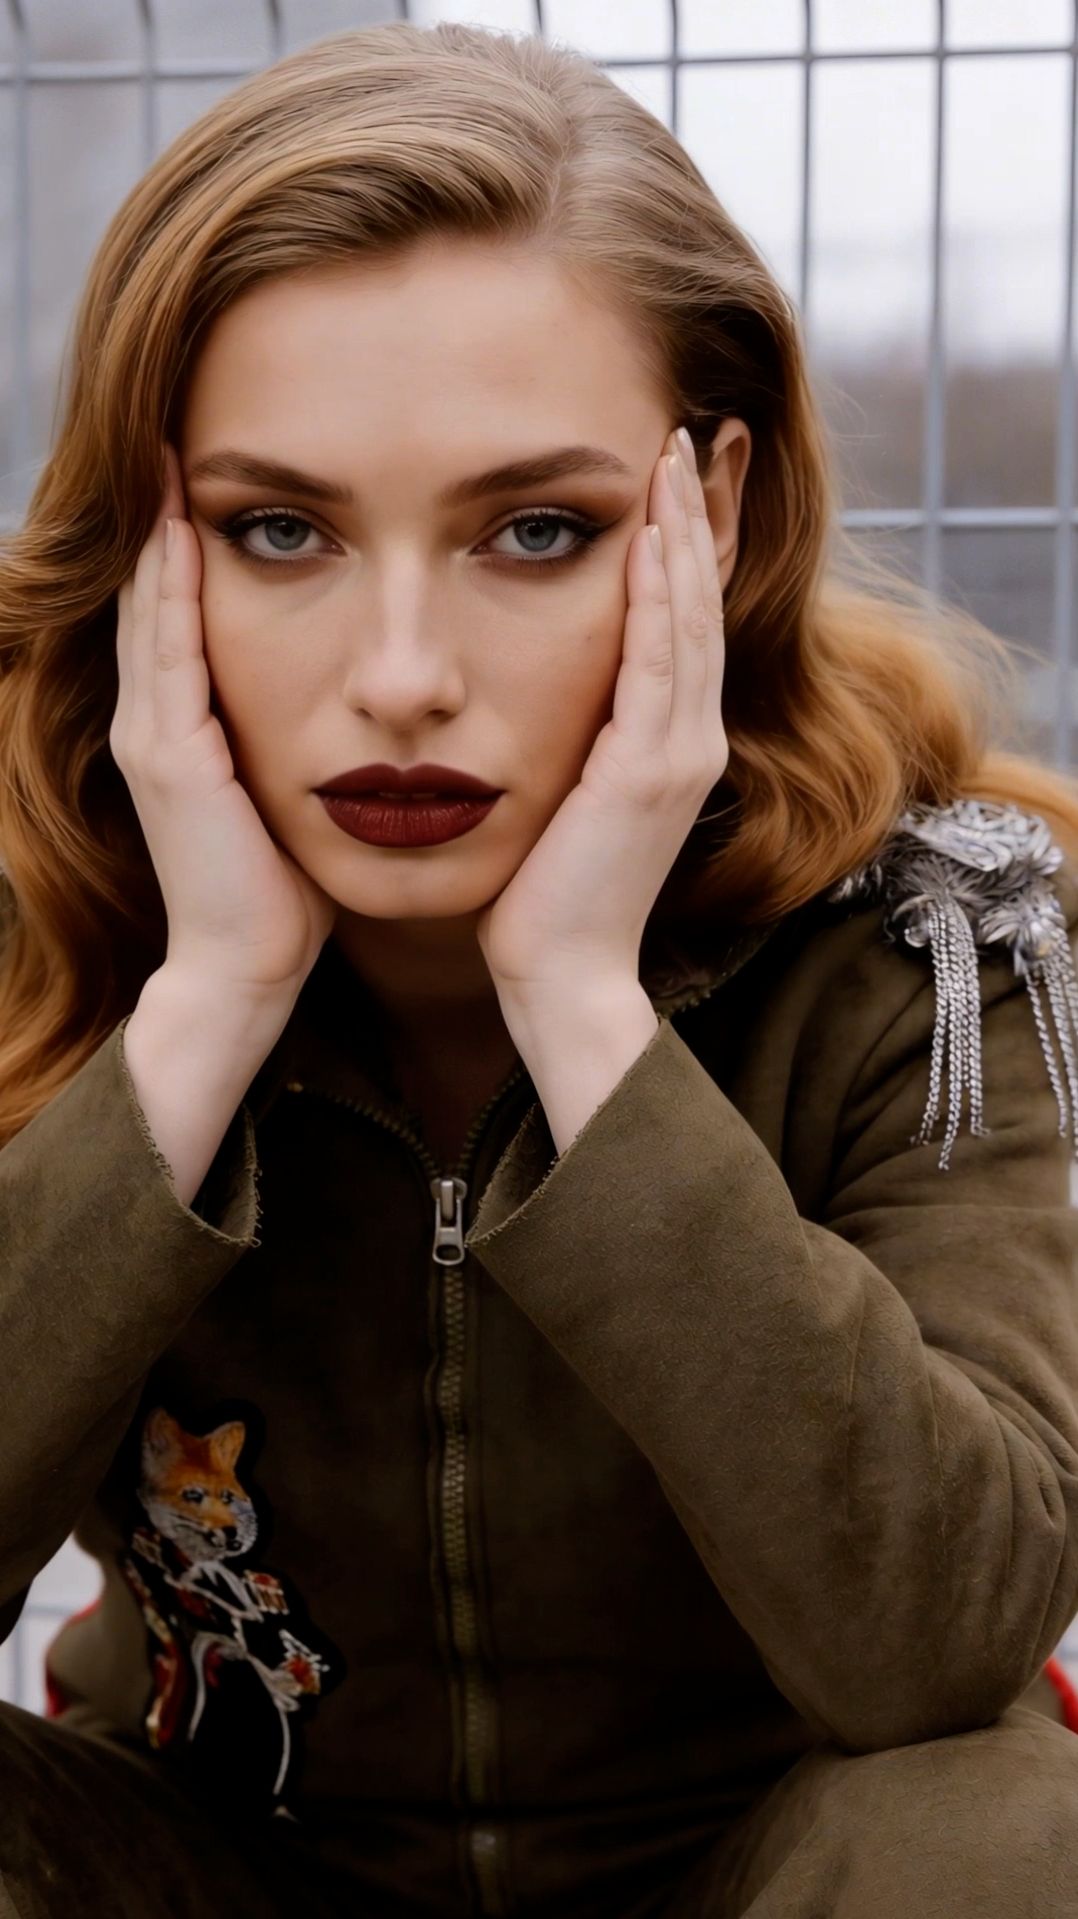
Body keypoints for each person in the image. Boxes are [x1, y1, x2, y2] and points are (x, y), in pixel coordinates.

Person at [2, 17, 1078, 1918]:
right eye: (279, 530)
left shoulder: (928, 942)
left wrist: (582, 1010)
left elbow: (934, 1649)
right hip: (215, 1869)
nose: (404, 676)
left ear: (709, 509)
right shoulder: (51, 915)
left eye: (534, 531)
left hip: (757, 1881)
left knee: (996, 1830)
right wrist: (205, 1006)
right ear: (153, 544)